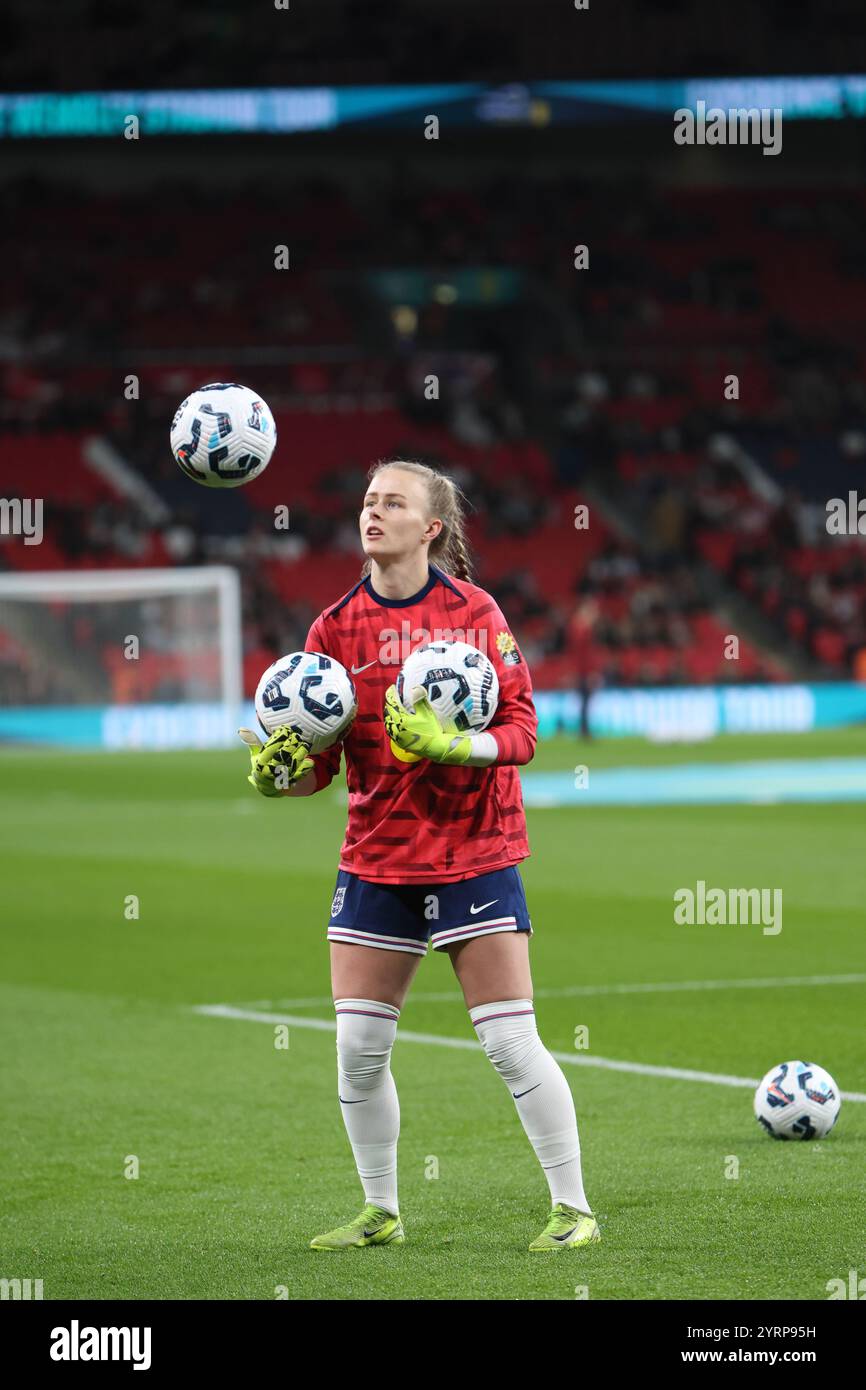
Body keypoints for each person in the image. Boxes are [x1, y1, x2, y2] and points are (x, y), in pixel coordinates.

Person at [241, 459, 599, 1252]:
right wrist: (282, 776)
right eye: (367, 499)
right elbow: (324, 768)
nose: (373, 512)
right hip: (376, 860)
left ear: (430, 526)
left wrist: (457, 745)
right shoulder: (332, 627)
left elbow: (524, 734)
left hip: (475, 850)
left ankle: (574, 1209)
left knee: (509, 1041)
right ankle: (382, 1211)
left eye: (392, 502)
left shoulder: (475, 612)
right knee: (357, 1050)